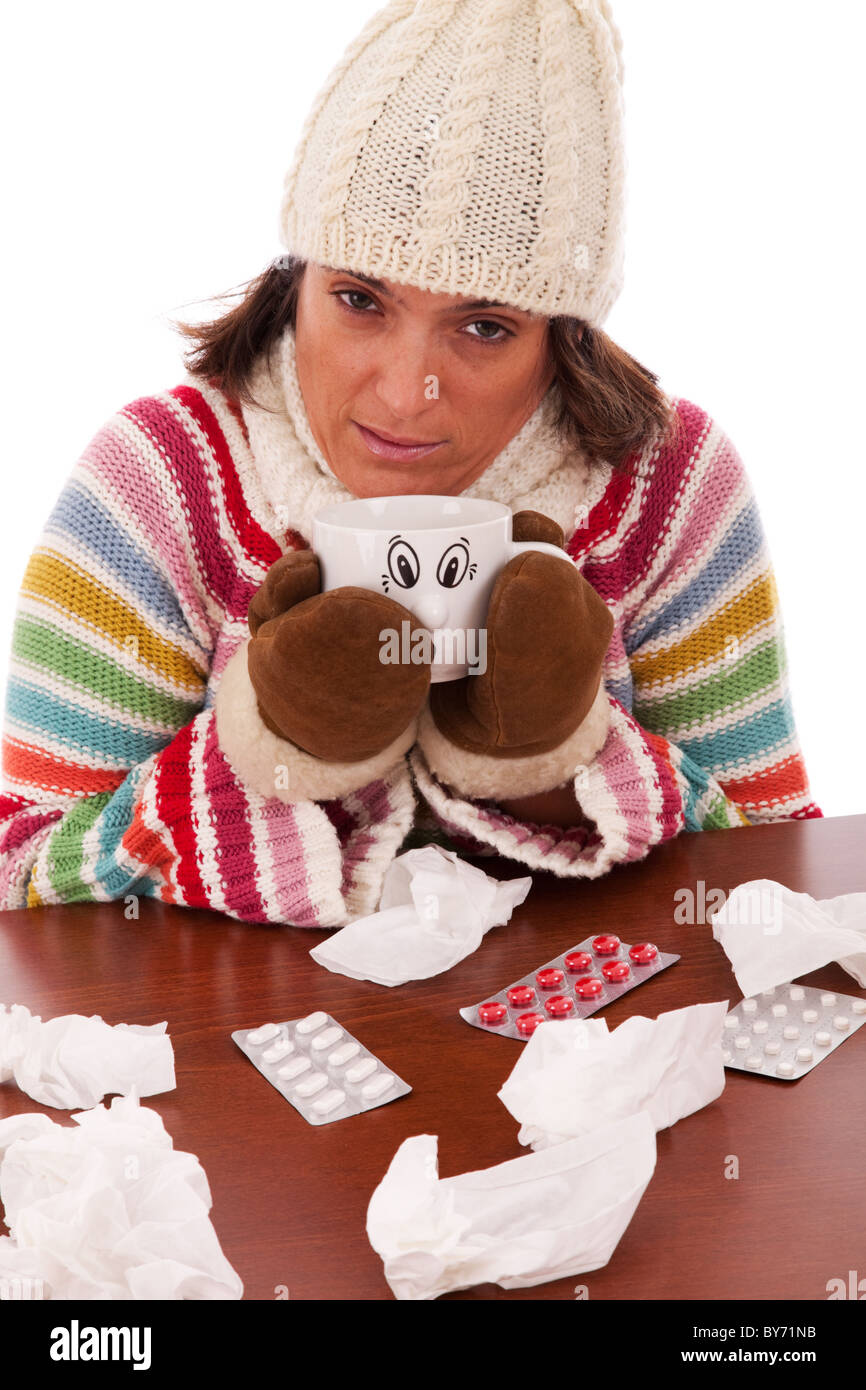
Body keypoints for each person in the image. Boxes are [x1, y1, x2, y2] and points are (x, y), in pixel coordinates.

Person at [0, 0, 821, 926]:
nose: (405, 393)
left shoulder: (669, 489)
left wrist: (556, 755)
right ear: (295, 279)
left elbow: (777, 869)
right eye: (359, 300)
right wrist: (275, 745)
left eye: (483, 326)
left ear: (561, 337)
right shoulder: (159, 484)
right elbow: (20, 879)